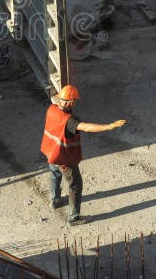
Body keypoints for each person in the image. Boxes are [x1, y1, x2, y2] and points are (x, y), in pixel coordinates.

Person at [40, 84, 126, 225]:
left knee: (54, 176)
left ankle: (54, 201)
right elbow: (86, 127)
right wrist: (109, 126)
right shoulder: (69, 121)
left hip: (51, 154)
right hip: (64, 159)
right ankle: (73, 217)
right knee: (75, 185)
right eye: (75, 101)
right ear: (71, 102)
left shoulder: (52, 109)